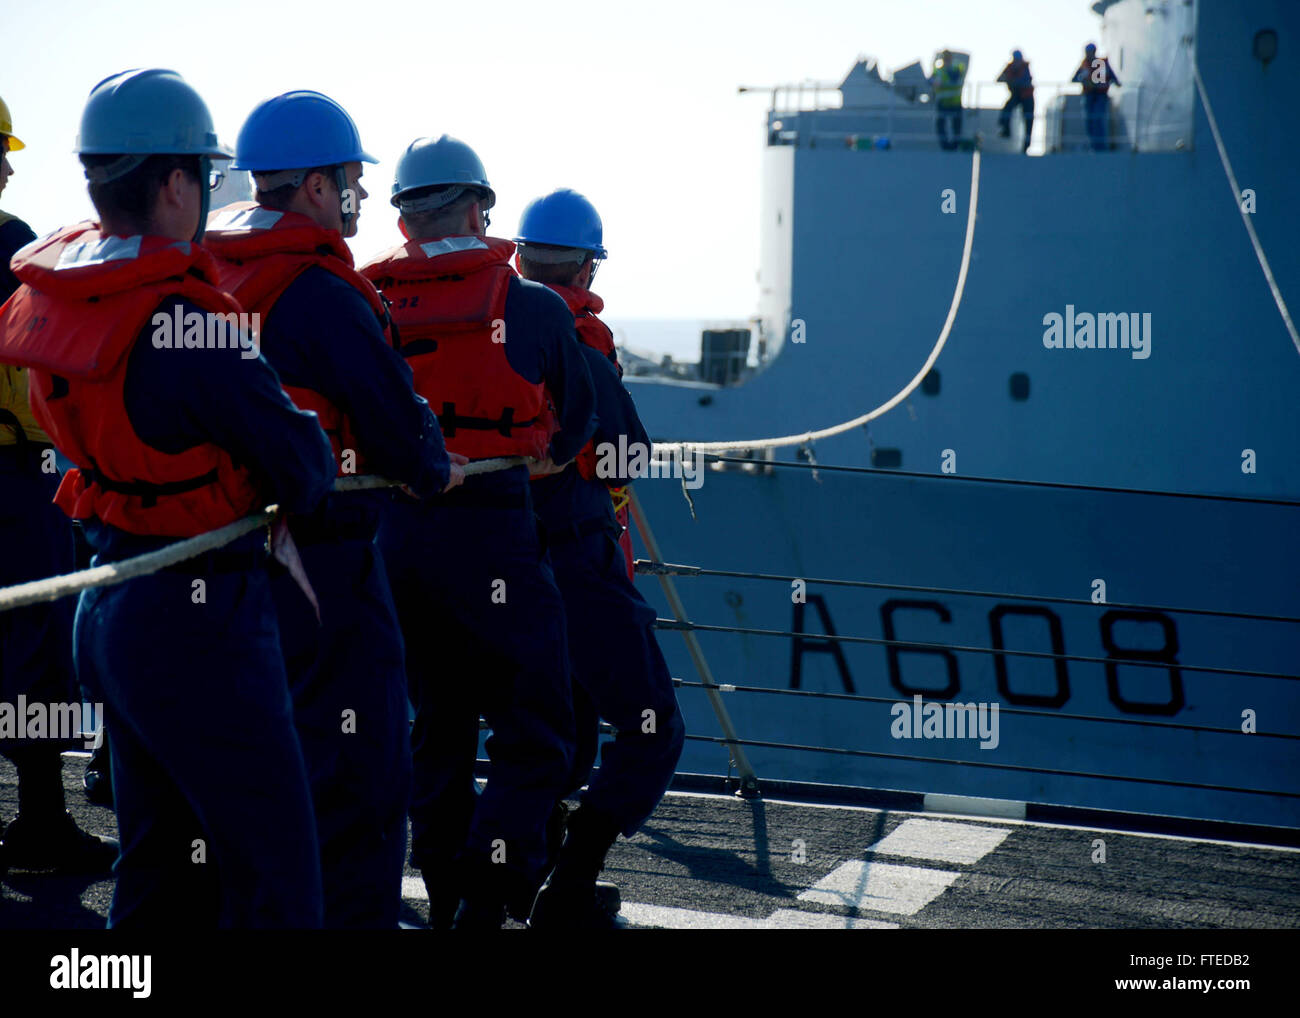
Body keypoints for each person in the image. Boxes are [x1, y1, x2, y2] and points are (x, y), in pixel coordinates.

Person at [0, 69, 337, 927]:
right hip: (201, 619)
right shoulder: (191, 322)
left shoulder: (56, 294)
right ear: (179, 182)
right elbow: (306, 467)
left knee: (154, 868)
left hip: (108, 604)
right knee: (277, 874)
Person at [204, 91, 464, 928]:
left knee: (263, 761)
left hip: (224, 556)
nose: (354, 196)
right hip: (326, 556)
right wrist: (435, 466)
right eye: (348, 179)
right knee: (362, 766)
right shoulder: (322, 290)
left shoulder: (214, 273)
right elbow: (396, 428)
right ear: (316, 185)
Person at [359, 135, 597, 929]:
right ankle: (488, 901)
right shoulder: (530, 305)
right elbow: (578, 422)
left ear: (402, 213)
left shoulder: (364, 297)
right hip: (496, 532)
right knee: (539, 732)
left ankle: (449, 896)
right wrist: (530, 460)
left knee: (438, 729)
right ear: (480, 206)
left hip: (394, 535)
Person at [513, 189, 685, 928]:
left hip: (491, 564)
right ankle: (570, 883)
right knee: (652, 727)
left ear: (517, 256)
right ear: (587, 267)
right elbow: (627, 452)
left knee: (556, 729)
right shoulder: (581, 340)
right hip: (576, 564)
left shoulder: (486, 331)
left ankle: (522, 875)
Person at [0, 94, 117, 876]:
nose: (9, 165)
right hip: (13, 478)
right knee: (32, 651)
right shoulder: (10, 245)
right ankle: (40, 818)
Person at [1072, 42, 1121, 151]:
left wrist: (1115, 82)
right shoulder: (1084, 65)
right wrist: (1083, 79)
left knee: (1099, 120)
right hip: (1088, 96)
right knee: (1089, 121)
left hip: (1100, 96)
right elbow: (1073, 79)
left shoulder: (1101, 64)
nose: (1088, 54)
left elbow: (1112, 77)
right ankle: (1093, 146)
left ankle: (1101, 147)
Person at [997, 50, 1034, 153]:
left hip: (1027, 96)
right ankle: (1006, 130)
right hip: (1017, 95)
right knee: (1006, 109)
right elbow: (999, 79)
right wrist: (1007, 79)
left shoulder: (1025, 68)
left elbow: (1025, 80)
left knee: (1028, 120)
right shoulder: (1010, 67)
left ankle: (1026, 146)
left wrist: (1012, 81)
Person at [930, 50, 967, 151]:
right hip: (943, 102)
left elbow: (955, 77)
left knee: (956, 125)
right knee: (940, 125)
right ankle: (945, 145)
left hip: (955, 102)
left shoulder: (957, 68)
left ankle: (954, 145)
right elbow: (931, 80)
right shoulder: (938, 70)